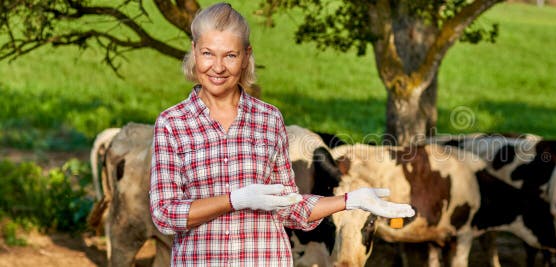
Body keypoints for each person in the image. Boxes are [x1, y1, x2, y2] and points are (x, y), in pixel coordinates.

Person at [148, 3, 414, 266]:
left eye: (230, 55)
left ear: (245, 56)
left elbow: (290, 208)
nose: (218, 67)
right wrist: (235, 200)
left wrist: (349, 200)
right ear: (194, 52)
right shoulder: (173, 124)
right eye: (208, 53)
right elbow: (164, 214)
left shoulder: (268, 119)